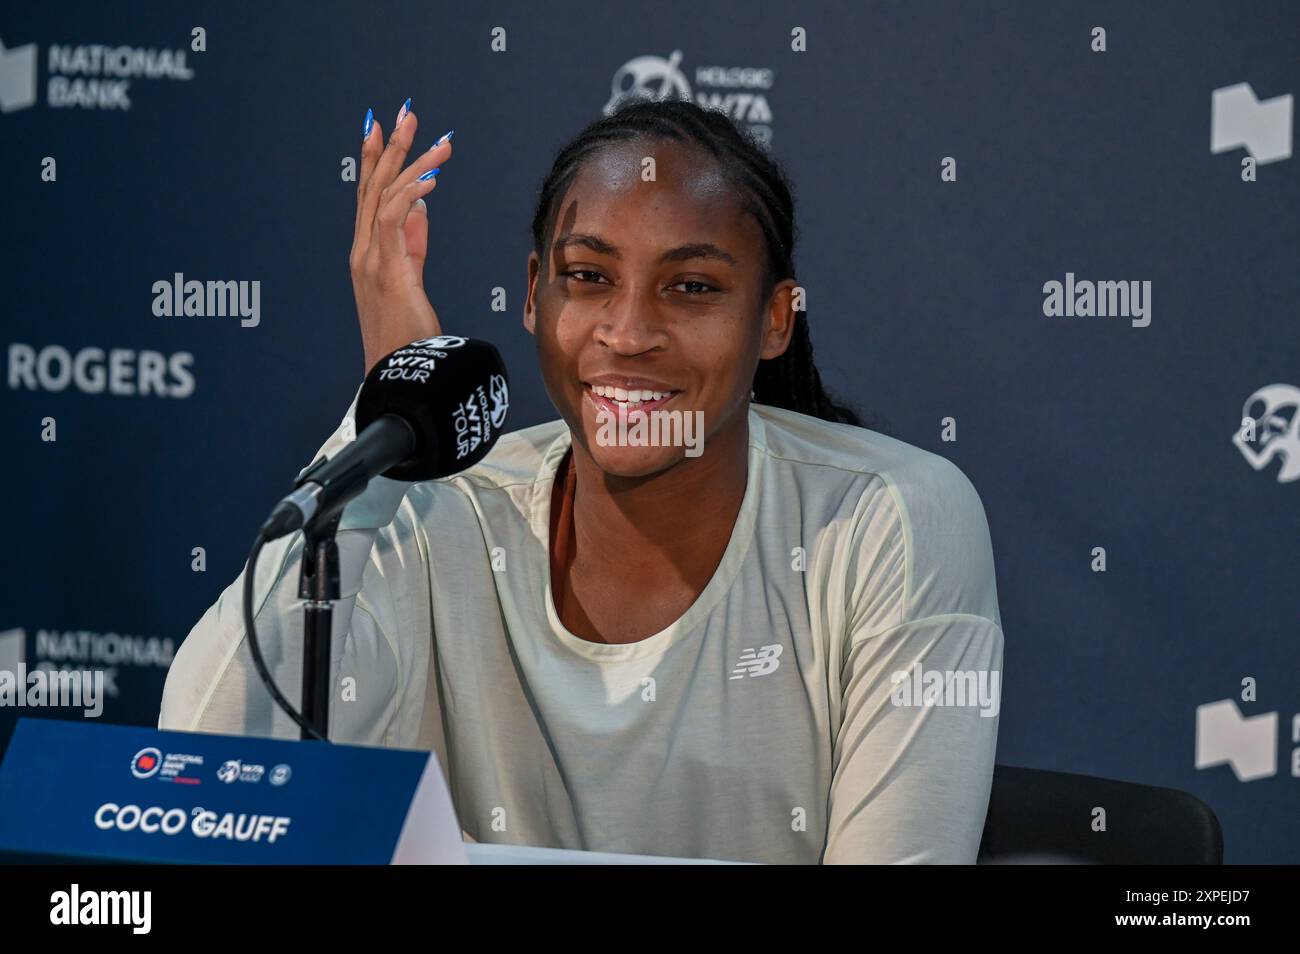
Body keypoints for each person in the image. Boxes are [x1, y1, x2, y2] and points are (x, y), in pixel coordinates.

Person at [159, 96, 1005, 864]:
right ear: (534, 294)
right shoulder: (442, 510)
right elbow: (201, 774)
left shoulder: (892, 521)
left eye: (693, 287)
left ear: (775, 319)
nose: (629, 332)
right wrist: (390, 414)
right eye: (590, 277)